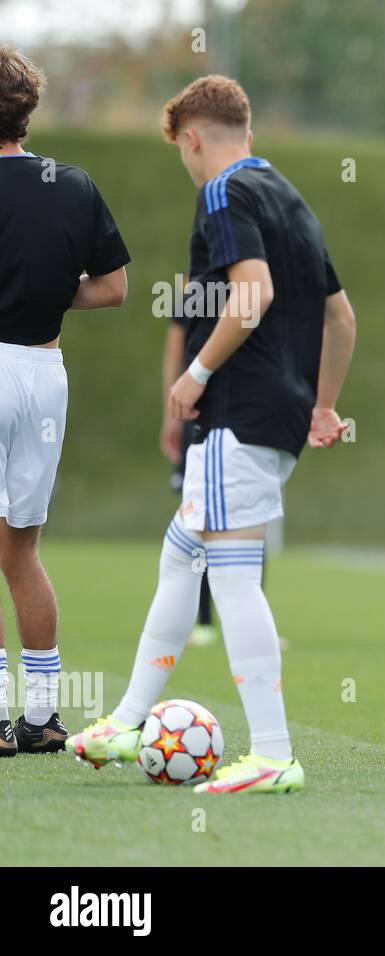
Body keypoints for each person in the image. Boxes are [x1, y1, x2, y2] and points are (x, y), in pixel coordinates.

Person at [66, 75, 356, 794]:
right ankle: (127, 721)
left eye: (183, 152)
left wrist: (195, 373)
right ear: (246, 130)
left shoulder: (223, 192)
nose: (188, 165)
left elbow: (252, 293)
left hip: (237, 412)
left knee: (231, 574)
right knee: (181, 556)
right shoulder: (290, 197)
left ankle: (274, 754)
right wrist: (322, 405)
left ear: (191, 138)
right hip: (275, 416)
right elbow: (342, 318)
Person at [0, 46, 130, 756]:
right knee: (22, 551)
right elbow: (113, 289)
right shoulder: (72, 184)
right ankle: (42, 719)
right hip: (44, 373)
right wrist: (47, 295)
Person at [161, 274, 217, 647]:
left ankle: (238, 618)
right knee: (197, 517)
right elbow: (176, 346)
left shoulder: (257, 280)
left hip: (236, 412)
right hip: (198, 412)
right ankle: (202, 619)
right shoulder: (191, 285)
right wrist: (171, 412)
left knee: (243, 519)